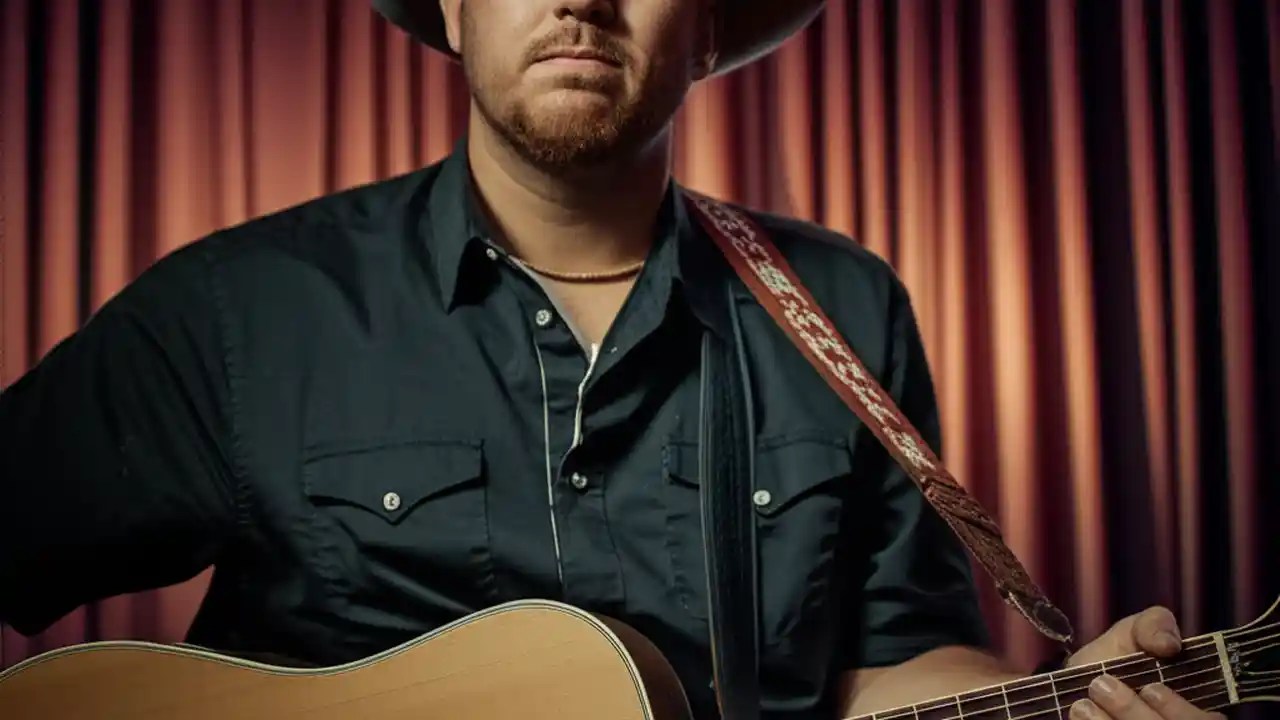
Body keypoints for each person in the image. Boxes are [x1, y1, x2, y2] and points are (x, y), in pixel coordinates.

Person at [0, 1, 1221, 719]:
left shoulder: (842, 305)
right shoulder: (245, 309)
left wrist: (1067, 704)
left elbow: (886, 663)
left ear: (704, 25)